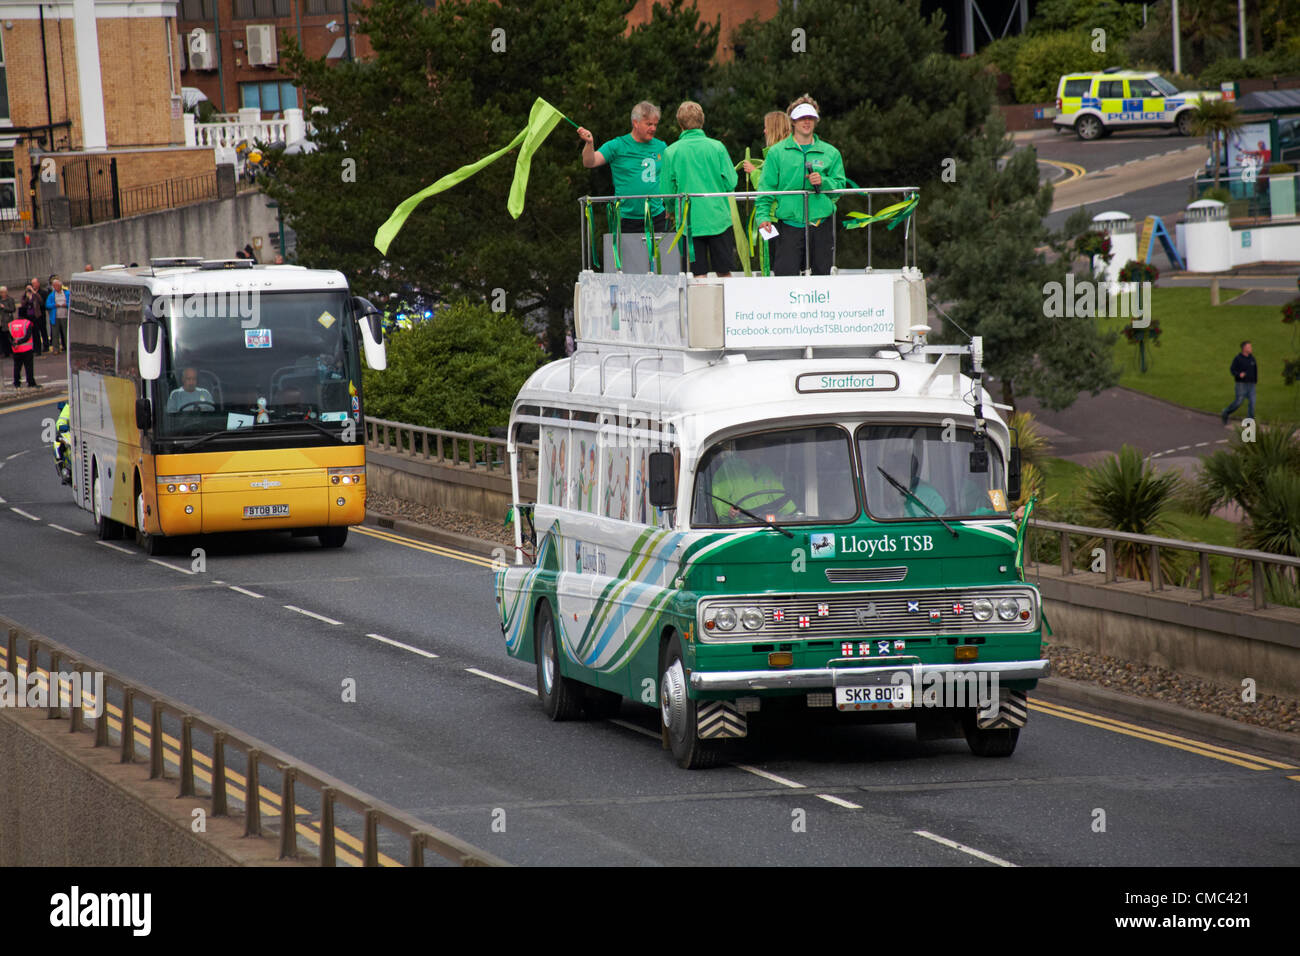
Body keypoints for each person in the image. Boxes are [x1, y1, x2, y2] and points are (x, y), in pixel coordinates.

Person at [755, 95, 847, 276]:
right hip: (789, 226)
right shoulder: (777, 152)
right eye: (801, 118)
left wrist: (824, 181)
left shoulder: (831, 153)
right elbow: (766, 188)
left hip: (821, 226)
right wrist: (762, 215)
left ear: (816, 120)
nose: (807, 121)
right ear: (793, 122)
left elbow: (840, 187)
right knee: (785, 279)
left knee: (822, 280)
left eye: (811, 117)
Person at [660, 101, 738, 277]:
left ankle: (700, 306)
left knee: (698, 275)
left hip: (689, 222)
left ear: (680, 124)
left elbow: (667, 191)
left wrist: (671, 210)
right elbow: (731, 182)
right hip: (719, 218)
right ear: (702, 120)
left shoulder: (671, 152)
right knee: (724, 273)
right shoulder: (717, 147)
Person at [577, 102, 669, 232]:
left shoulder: (662, 147)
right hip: (626, 219)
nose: (653, 128)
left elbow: (671, 177)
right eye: (649, 124)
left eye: (655, 124)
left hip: (656, 217)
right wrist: (589, 143)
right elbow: (589, 162)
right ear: (635, 123)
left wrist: (671, 206)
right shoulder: (618, 145)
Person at [707, 445, 796, 523]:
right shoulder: (728, 470)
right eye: (757, 449)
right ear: (744, 451)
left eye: (761, 449)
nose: (761, 453)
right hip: (739, 529)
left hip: (767, 526)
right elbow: (718, 499)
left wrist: (795, 515)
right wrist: (728, 510)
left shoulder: (766, 471)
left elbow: (781, 499)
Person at [1221, 340, 1257, 424]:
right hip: (1241, 384)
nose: (1251, 348)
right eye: (1249, 347)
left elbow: (1255, 370)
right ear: (1244, 348)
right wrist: (1238, 374)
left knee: (1252, 403)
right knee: (1238, 402)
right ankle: (1226, 412)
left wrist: (1255, 381)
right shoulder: (1238, 358)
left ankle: (1250, 421)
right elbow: (1232, 369)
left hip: (1251, 384)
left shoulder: (1252, 358)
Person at [8, 300, 37, 388]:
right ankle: (30, 382)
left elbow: (9, 337)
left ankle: (17, 382)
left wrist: (14, 343)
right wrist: (20, 342)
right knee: (28, 367)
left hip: (16, 349)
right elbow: (28, 336)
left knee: (17, 367)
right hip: (26, 349)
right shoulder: (27, 323)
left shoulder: (11, 324)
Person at [45, 277, 70, 353]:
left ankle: (68, 348)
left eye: (57, 286)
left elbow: (72, 303)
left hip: (65, 316)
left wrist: (66, 304)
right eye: (54, 286)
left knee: (66, 334)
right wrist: (54, 305)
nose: (56, 287)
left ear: (60, 286)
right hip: (55, 317)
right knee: (55, 334)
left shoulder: (67, 293)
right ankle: (56, 349)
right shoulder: (52, 295)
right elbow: (47, 305)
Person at [29, 276, 47, 354]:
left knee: (43, 330)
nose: (33, 285)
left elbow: (42, 303)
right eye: (32, 284)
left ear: (38, 284)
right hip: (33, 316)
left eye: (35, 283)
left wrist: (34, 292)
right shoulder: (29, 293)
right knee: (35, 333)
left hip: (41, 314)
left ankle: (46, 345)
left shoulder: (43, 292)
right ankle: (37, 347)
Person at [0, 286, 14, 359]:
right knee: (2, 338)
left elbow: (12, 309)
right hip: (1, 321)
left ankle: (11, 351)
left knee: (9, 337)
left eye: (3, 292)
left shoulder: (10, 300)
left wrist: (4, 307)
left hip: (8, 321)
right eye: (1, 292)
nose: (2, 294)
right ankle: (4, 352)